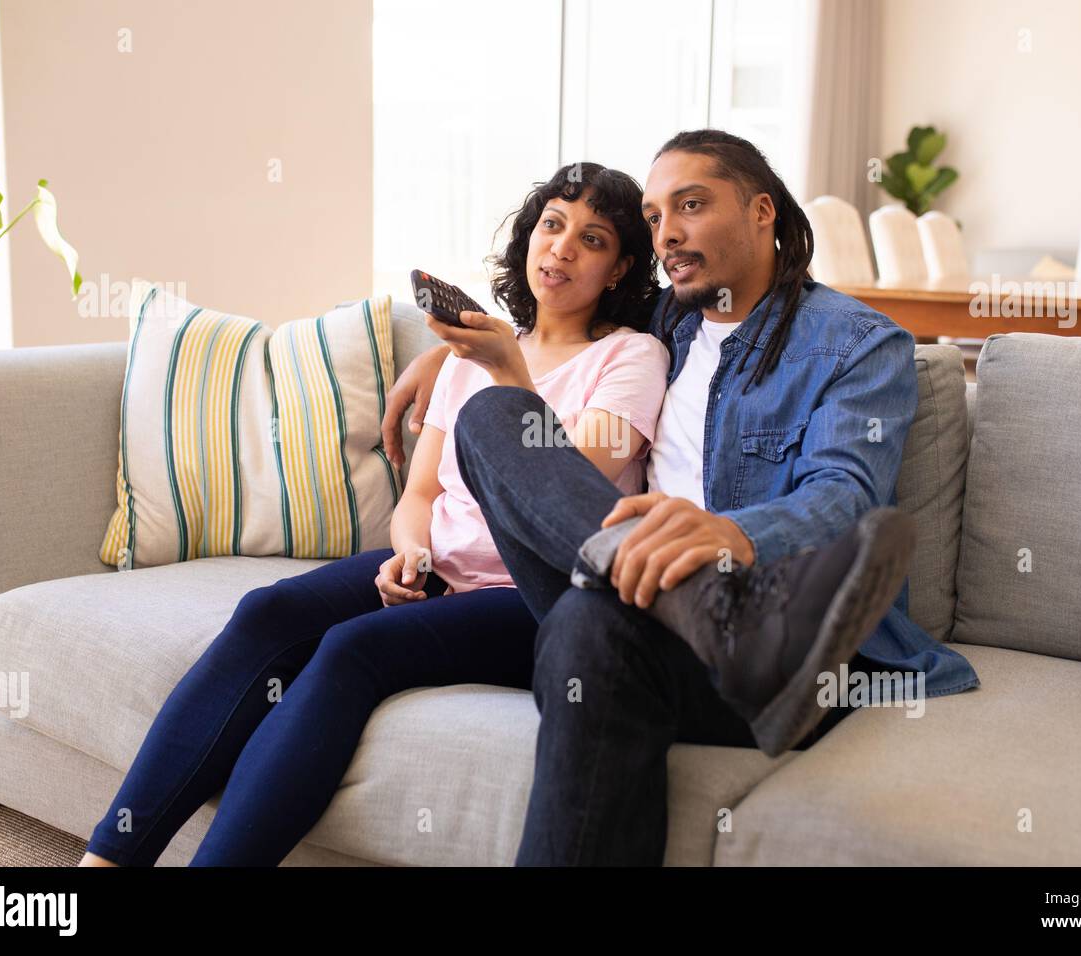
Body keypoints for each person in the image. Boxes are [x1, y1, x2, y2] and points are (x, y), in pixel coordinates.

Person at [381, 129, 982, 866]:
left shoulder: (858, 344)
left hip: (785, 634)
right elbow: (560, 319)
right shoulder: (669, 318)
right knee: (493, 416)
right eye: (657, 216)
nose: (668, 234)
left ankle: (731, 620)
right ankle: (706, 612)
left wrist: (732, 534)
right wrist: (451, 352)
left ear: (762, 211)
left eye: (691, 206)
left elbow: (848, 493)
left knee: (585, 626)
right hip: (662, 604)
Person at [78, 161, 672, 866]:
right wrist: (409, 553)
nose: (562, 247)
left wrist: (508, 370)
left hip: (532, 595)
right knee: (267, 614)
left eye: (593, 238)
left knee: (353, 650)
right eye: (552, 224)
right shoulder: (468, 354)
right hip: (439, 566)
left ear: (620, 268)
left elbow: (564, 481)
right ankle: (107, 860)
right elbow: (422, 494)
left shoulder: (632, 356)